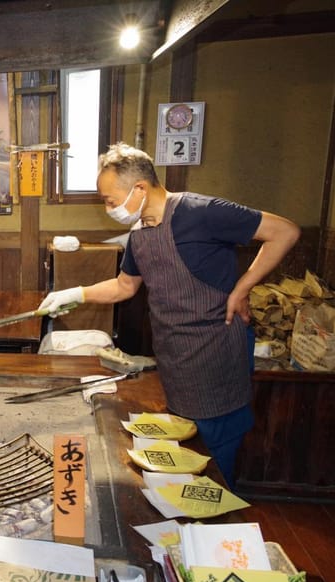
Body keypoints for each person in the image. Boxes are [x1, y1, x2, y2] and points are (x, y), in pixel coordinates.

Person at [38, 142, 300, 486]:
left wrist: (243, 288)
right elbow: (124, 286)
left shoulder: (200, 211)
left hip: (215, 348)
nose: (108, 209)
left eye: (110, 201)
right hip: (174, 355)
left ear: (140, 188)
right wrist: (75, 294)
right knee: (185, 451)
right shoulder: (140, 235)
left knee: (215, 457)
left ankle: (218, 530)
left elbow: (285, 232)